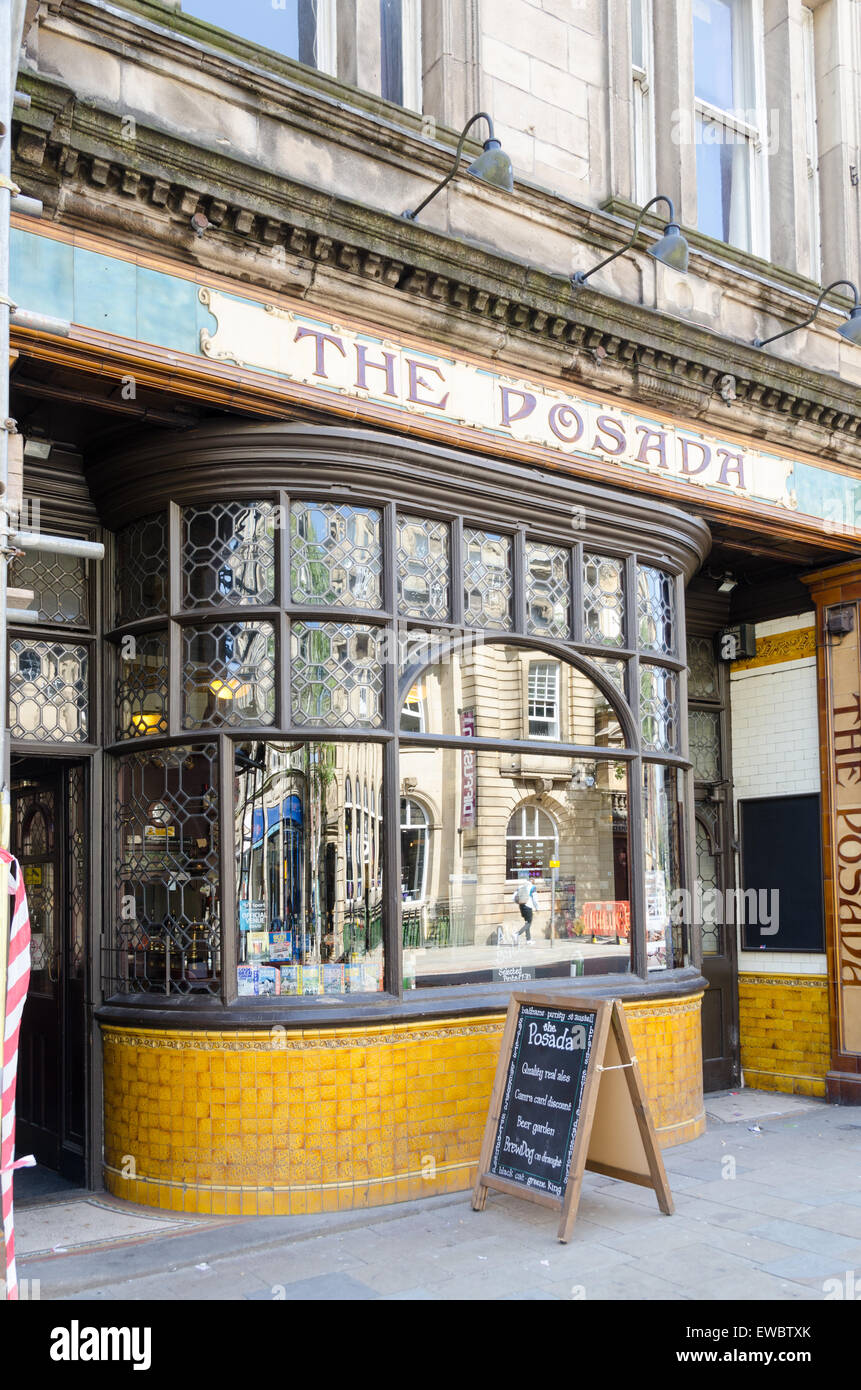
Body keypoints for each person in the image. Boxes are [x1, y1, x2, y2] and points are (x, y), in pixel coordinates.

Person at [512, 876, 539, 942]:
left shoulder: (520, 887)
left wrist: (518, 903)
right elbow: (535, 899)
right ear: (533, 882)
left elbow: (513, 897)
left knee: (527, 922)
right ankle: (517, 934)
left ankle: (528, 940)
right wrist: (537, 907)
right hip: (528, 906)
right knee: (529, 923)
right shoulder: (533, 887)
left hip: (521, 906)